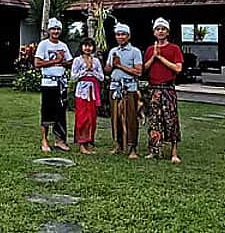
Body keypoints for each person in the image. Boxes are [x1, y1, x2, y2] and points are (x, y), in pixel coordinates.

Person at [143, 17, 184, 163]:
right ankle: (154, 150)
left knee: (171, 120)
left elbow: (178, 68)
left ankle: (174, 152)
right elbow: (143, 69)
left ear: (167, 32)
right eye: (158, 29)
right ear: (154, 32)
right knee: (154, 121)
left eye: (163, 29)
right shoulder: (150, 49)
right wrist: (153, 57)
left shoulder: (174, 49)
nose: (160, 31)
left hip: (167, 89)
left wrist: (160, 58)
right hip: (153, 89)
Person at [105, 23, 143, 158]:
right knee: (116, 117)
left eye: (123, 34)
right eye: (118, 34)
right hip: (115, 88)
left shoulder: (135, 52)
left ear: (128, 36)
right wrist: (111, 65)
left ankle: (132, 147)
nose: (120, 37)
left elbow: (138, 71)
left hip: (129, 88)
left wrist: (120, 65)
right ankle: (119, 144)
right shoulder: (113, 51)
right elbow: (108, 69)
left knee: (130, 117)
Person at [34, 18, 71, 152]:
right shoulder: (44, 45)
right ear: (49, 30)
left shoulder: (63, 45)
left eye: (58, 29)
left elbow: (69, 61)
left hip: (61, 83)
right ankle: (44, 140)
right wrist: (56, 60)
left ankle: (59, 140)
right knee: (47, 111)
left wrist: (63, 61)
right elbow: (37, 63)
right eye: (53, 29)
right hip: (48, 83)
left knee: (60, 112)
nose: (55, 31)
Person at [70, 37, 103, 154]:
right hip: (82, 93)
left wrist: (92, 71)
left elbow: (101, 77)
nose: (88, 48)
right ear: (82, 47)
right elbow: (73, 77)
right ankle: (81, 144)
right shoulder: (77, 61)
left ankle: (89, 142)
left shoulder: (97, 61)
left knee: (92, 118)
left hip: (93, 92)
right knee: (82, 118)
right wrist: (85, 70)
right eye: (85, 45)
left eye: (90, 46)